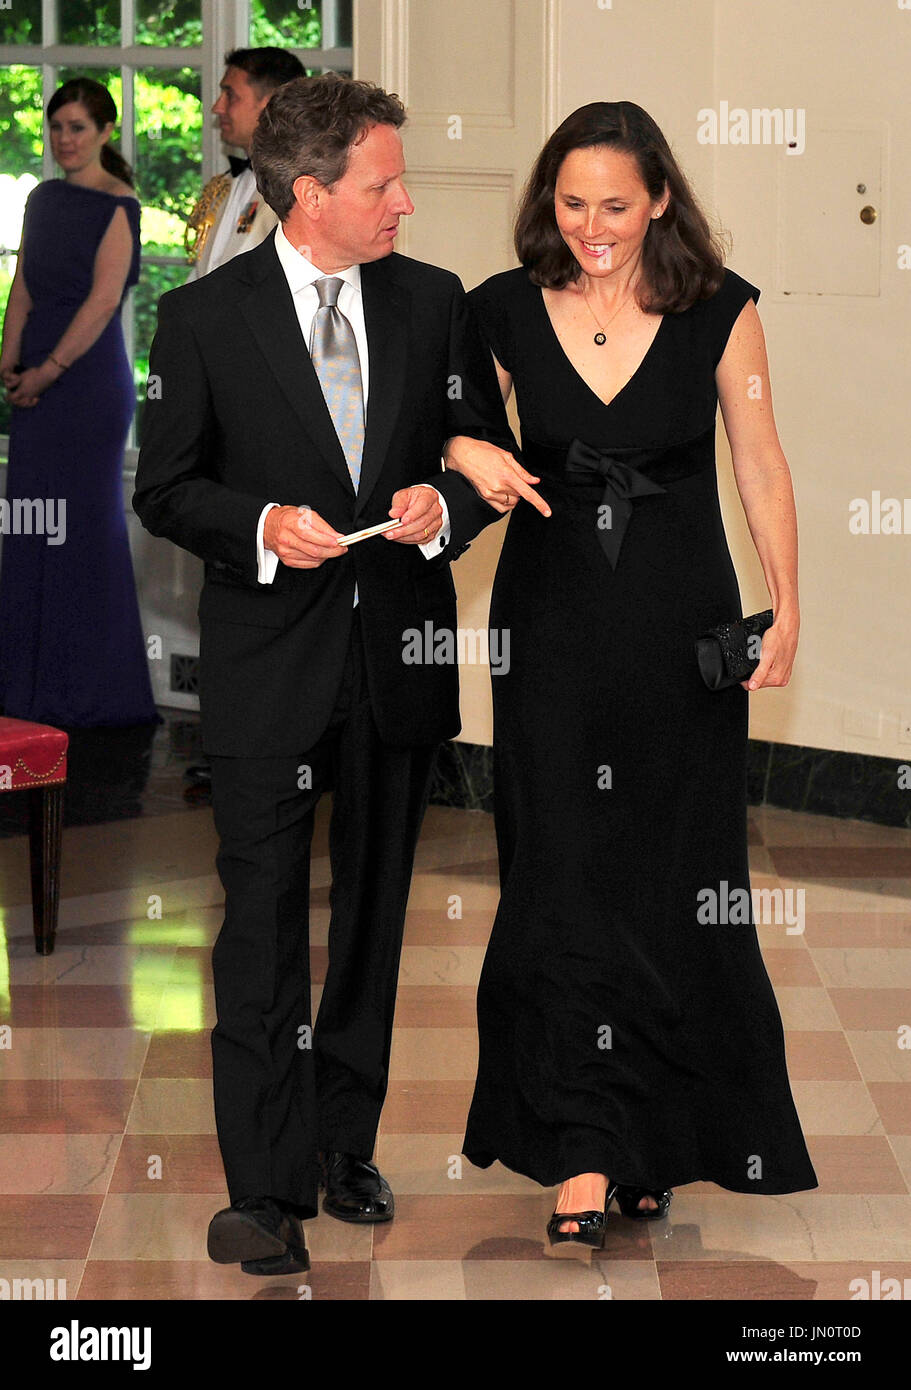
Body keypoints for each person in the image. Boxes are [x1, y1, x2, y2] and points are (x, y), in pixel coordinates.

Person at [133, 74, 515, 1276]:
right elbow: (167, 486)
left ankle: (343, 1144)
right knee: (260, 933)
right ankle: (263, 1185)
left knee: (371, 923)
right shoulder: (201, 322)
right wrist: (258, 525)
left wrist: (441, 502)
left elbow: (486, 461)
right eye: (383, 183)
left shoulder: (435, 303)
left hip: (393, 668)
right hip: (263, 677)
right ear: (310, 194)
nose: (405, 201)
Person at [442, 100, 818, 1248]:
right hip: (548, 626)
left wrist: (787, 602)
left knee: (672, 876)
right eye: (570, 203)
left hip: (677, 627)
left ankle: (650, 1139)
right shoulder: (497, 309)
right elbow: (448, 421)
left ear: (658, 197)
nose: (592, 226)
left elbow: (757, 458)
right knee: (556, 869)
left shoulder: (721, 309)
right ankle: (582, 1149)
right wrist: (465, 445)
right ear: (545, 203)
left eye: (614, 203)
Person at [0, 78, 157, 728]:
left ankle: (90, 694)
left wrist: (47, 372)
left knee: (81, 531)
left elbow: (101, 303)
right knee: (28, 526)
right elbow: (25, 281)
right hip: (35, 377)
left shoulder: (120, 205)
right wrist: (9, 361)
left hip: (87, 387)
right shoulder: (42, 197)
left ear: (104, 133)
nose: (65, 139)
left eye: (78, 128)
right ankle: (23, 692)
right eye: (57, 127)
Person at [185, 47, 305, 281]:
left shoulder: (300, 191)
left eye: (230, 95)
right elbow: (205, 274)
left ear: (271, 103)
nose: (217, 107)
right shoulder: (224, 185)